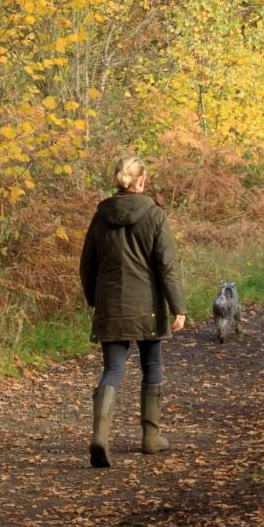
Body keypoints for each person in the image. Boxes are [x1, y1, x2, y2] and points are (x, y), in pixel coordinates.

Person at [76, 155, 185, 467]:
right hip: (148, 305)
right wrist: (178, 306)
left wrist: (95, 300)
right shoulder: (153, 214)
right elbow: (167, 266)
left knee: (112, 369)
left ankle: (100, 436)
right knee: (152, 366)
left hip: (111, 302)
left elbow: (87, 264)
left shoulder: (101, 215)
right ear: (140, 181)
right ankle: (151, 438)